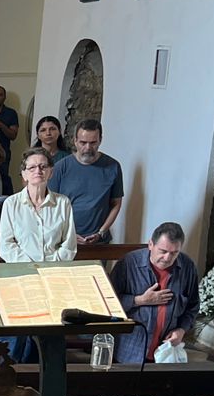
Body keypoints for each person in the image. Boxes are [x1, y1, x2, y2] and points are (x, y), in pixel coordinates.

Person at [0, 147, 76, 362]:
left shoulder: (63, 203)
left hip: (53, 280)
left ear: (51, 172)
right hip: (20, 279)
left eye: (43, 166)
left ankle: (44, 384)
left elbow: (68, 246)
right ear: (23, 174)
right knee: (18, 339)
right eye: (32, 167)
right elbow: (6, 245)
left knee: (47, 338)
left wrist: (48, 268)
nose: (37, 171)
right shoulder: (11, 204)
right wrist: (31, 268)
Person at [112, 222, 200, 364]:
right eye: (163, 251)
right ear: (150, 244)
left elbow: (193, 305)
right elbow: (108, 303)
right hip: (130, 351)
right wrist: (140, 300)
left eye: (174, 253)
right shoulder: (128, 263)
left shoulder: (187, 267)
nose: (167, 258)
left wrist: (182, 330)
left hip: (165, 352)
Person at [49, 119, 123, 244]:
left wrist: (101, 232)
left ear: (100, 140)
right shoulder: (60, 167)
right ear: (75, 141)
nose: (88, 148)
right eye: (83, 142)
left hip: (98, 242)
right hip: (64, 240)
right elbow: (50, 206)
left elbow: (116, 203)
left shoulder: (113, 167)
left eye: (93, 143)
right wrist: (67, 233)